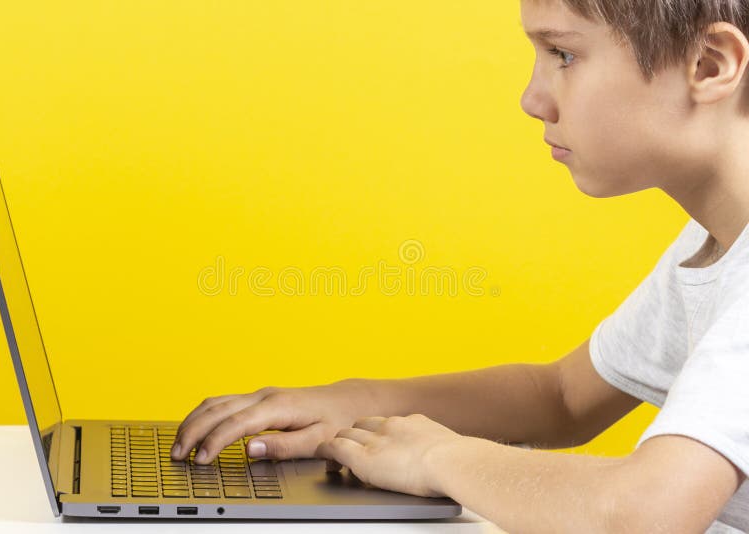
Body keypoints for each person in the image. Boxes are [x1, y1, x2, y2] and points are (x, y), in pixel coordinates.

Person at [172, 1, 749, 531]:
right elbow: (564, 398)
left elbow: (645, 512)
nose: (532, 99)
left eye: (564, 55)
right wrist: (357, 405)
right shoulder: (713, 242)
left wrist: (437, 457)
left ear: (709, 64)